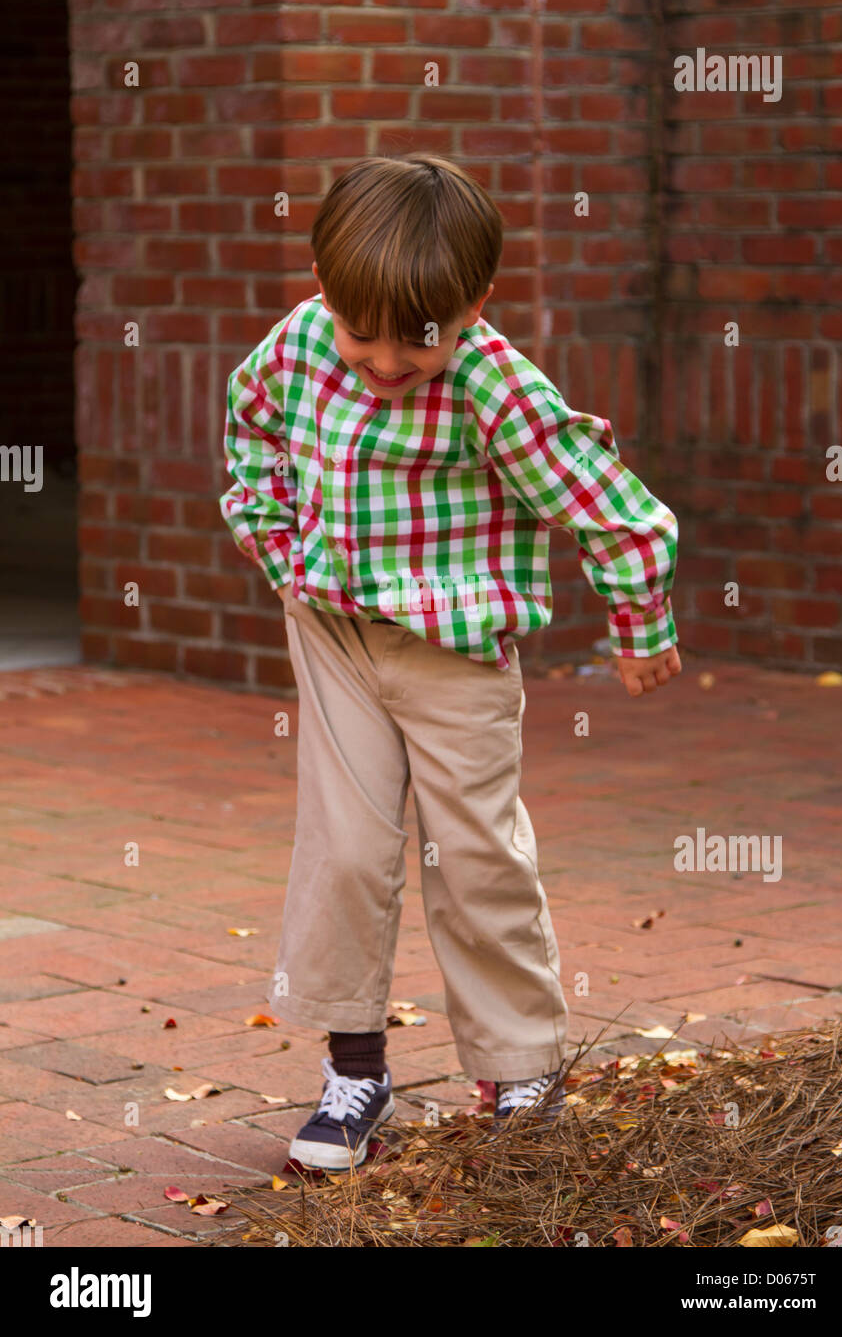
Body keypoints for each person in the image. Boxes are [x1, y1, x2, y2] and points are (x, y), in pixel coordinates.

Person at [220, 154, 682, 1170]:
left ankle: (519, 1065)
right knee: (344, 850)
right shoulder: (300, 341)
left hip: (457, 656)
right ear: (322, 286)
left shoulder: (492, 384)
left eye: (415, 337)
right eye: (360, 329)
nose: (383, 360)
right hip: (335, 632)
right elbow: (248, 427)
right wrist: (276, 543)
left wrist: (639, 628)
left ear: (472, 304)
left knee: (475, 854)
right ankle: (356, 1069)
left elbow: (614, 509)